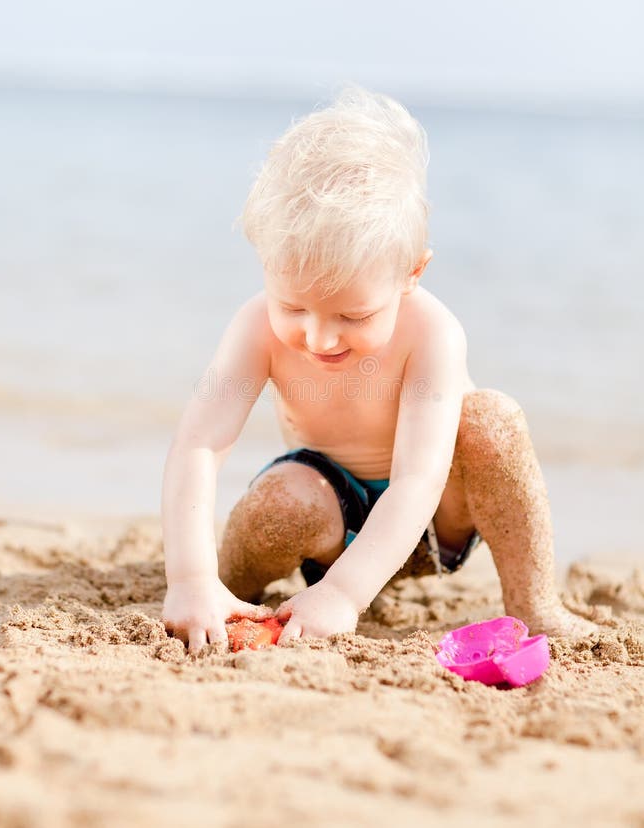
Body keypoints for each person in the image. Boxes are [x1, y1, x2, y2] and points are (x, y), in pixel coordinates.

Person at [162, 86, 594, 654]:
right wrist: (190, 578)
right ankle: (226, 594)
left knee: (493, 418)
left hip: (437, 514)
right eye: (292, 306)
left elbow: (418, 478)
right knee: (275, 507)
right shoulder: (253, 328)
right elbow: (199, 442)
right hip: (331, 514)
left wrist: (344, 595)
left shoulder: (431, 332)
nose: (318, 336)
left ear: (412, 272)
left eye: (353, 314)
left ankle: (535, 605)